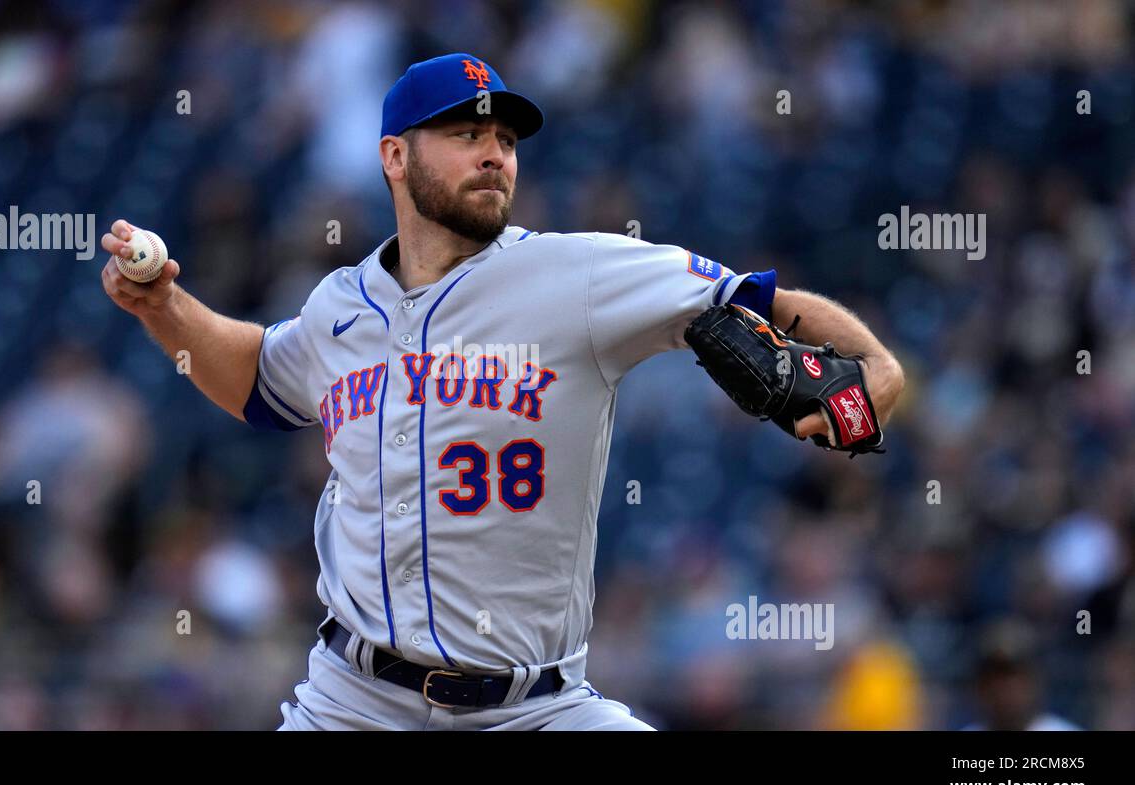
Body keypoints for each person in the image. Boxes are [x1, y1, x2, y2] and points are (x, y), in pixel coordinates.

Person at [98, 53, 905, 730]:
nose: (494, 153)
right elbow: (260, 377)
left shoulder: (577, 275)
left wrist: (875, 364)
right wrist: (166, 307)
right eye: (465, 133)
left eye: (505, 137)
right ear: (394, 157)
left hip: (538, 709)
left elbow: (753, 300)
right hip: (352, 702)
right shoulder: (341, 306)